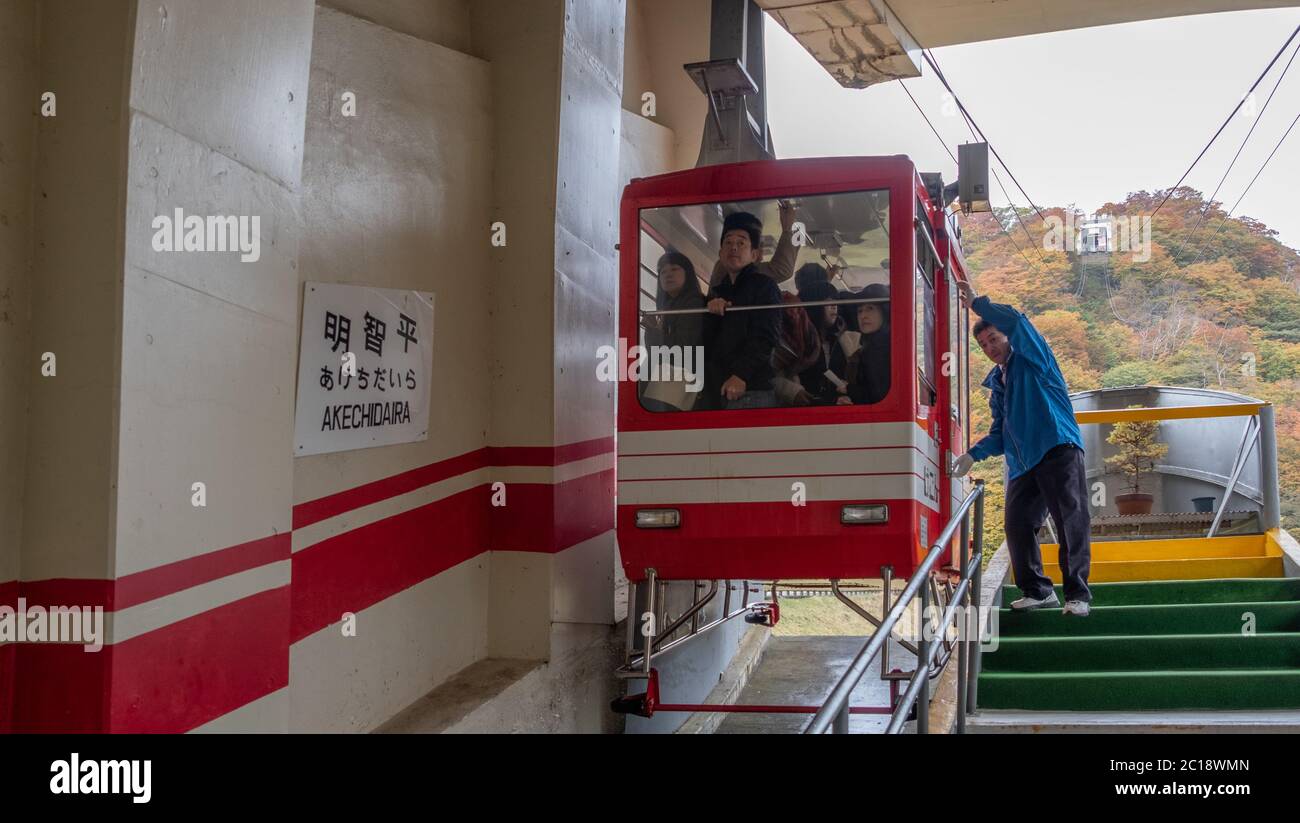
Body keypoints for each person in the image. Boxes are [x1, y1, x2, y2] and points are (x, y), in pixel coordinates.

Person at [951, 281, 1092, 616]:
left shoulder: (1034, 358)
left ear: (1008, 338)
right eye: (983, 344)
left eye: (994, 339)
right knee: (1017, 523)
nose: (990, 347)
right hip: (1023, 463)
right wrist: (973, 454)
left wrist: (976, 303)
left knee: (1069, 518)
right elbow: (1001, 433)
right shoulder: (997, 385)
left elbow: (1016, 319)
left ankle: (1078, 595)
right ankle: (1039, 591)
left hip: (1057, 445)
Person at [703, 211, 782, 408]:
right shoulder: (719, 293)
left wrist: (741, 375)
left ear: (754, 254)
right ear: (720, 253)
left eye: (741, 243)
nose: (734, 248)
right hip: (721, 388)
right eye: (728, 243)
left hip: (751, 390)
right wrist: (712, 312)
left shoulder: (765, 286)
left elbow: (766, 336)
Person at [641, 251, 706, 412]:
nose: (668, 275)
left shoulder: (694, 304)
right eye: (663, 272)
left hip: (677, 378)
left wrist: (654, 332)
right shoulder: (667, 307)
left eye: (674, 269)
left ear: (688, 273)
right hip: (668, 376)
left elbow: (681, 349)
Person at [709, 201, 799, 287]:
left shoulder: (725, 267)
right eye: (729, 242)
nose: (761, 255)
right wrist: (787, 229)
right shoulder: (732, 269)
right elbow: (782, 270)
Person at [840, 283, 891, 405]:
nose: (863, 316)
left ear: (884, 312)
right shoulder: (868, 347)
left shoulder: (884, 348)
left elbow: (878, 395)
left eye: (870, 308)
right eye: (859, 311)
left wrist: (849, 389)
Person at [770, 292, 822, 406]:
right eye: (788, 311)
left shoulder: (810, 338)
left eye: (798, 310)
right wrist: (791, 391)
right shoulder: (770, 338)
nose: (794, 315)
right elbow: (761, 376)